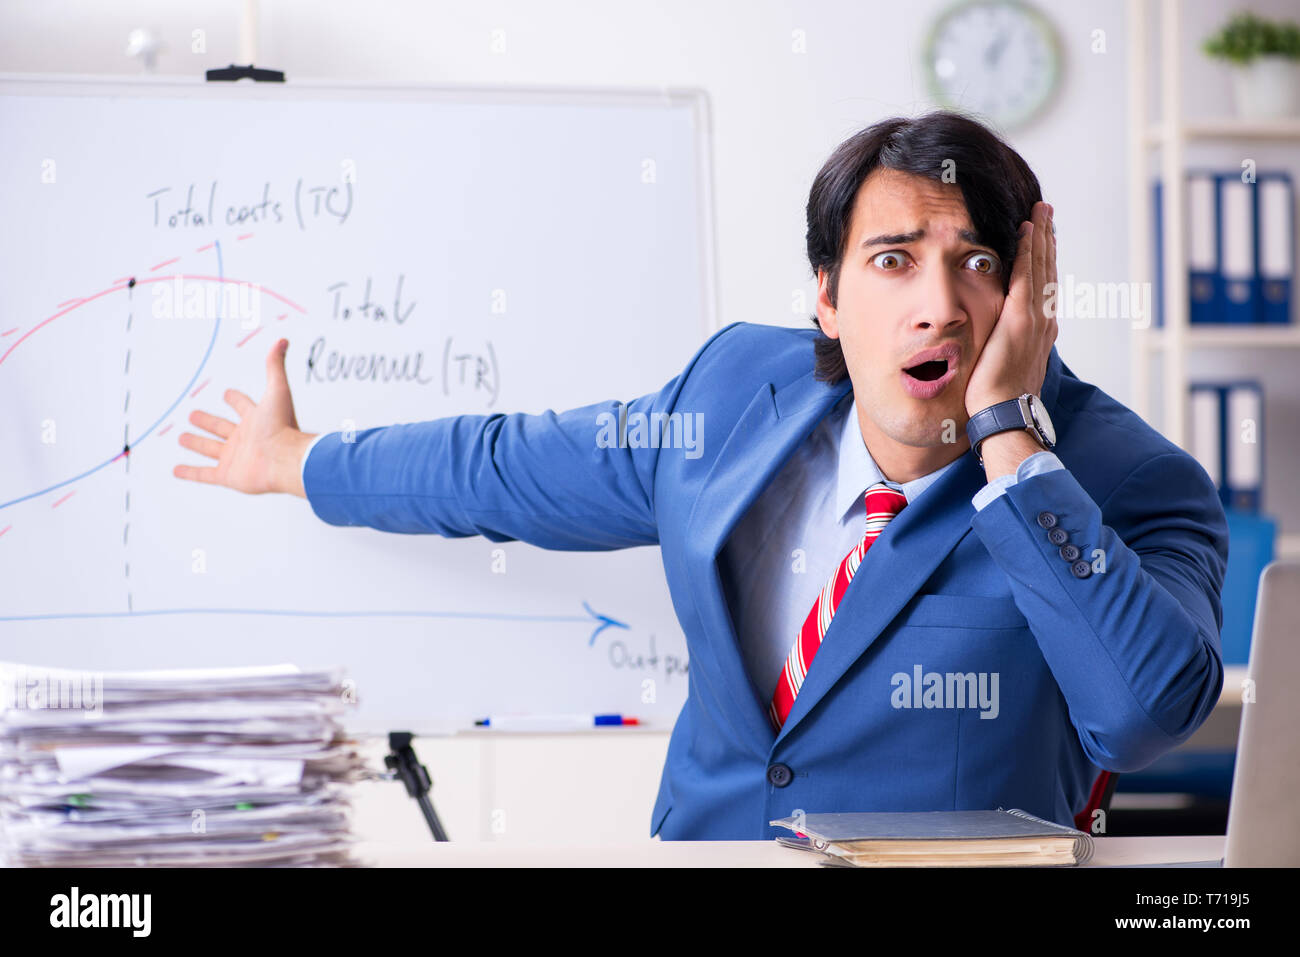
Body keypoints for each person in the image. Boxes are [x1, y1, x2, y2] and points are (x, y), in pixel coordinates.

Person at [174, 111, 1228, 841]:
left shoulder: (1128, 481)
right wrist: (296, 463)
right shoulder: (733, 397)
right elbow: (511, 466)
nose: (939, 307)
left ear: (1031, 295)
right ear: (825, 295)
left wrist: (1009, 437)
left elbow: (1143, 718)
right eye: (894, 260)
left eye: (978, 263)